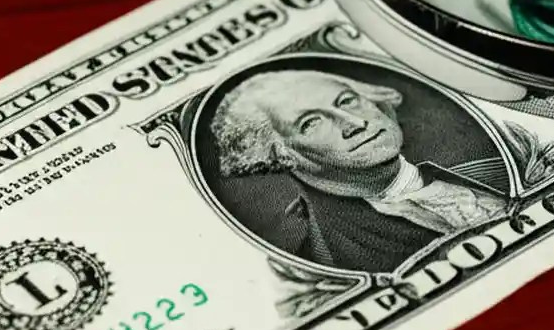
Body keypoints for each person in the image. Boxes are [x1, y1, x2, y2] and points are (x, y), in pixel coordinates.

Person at [210, 69, 508, 272]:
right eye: (311, 122)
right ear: (281, 155)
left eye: (347, 101)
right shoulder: (331, 263)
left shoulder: (500, 170)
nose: (354, 123)